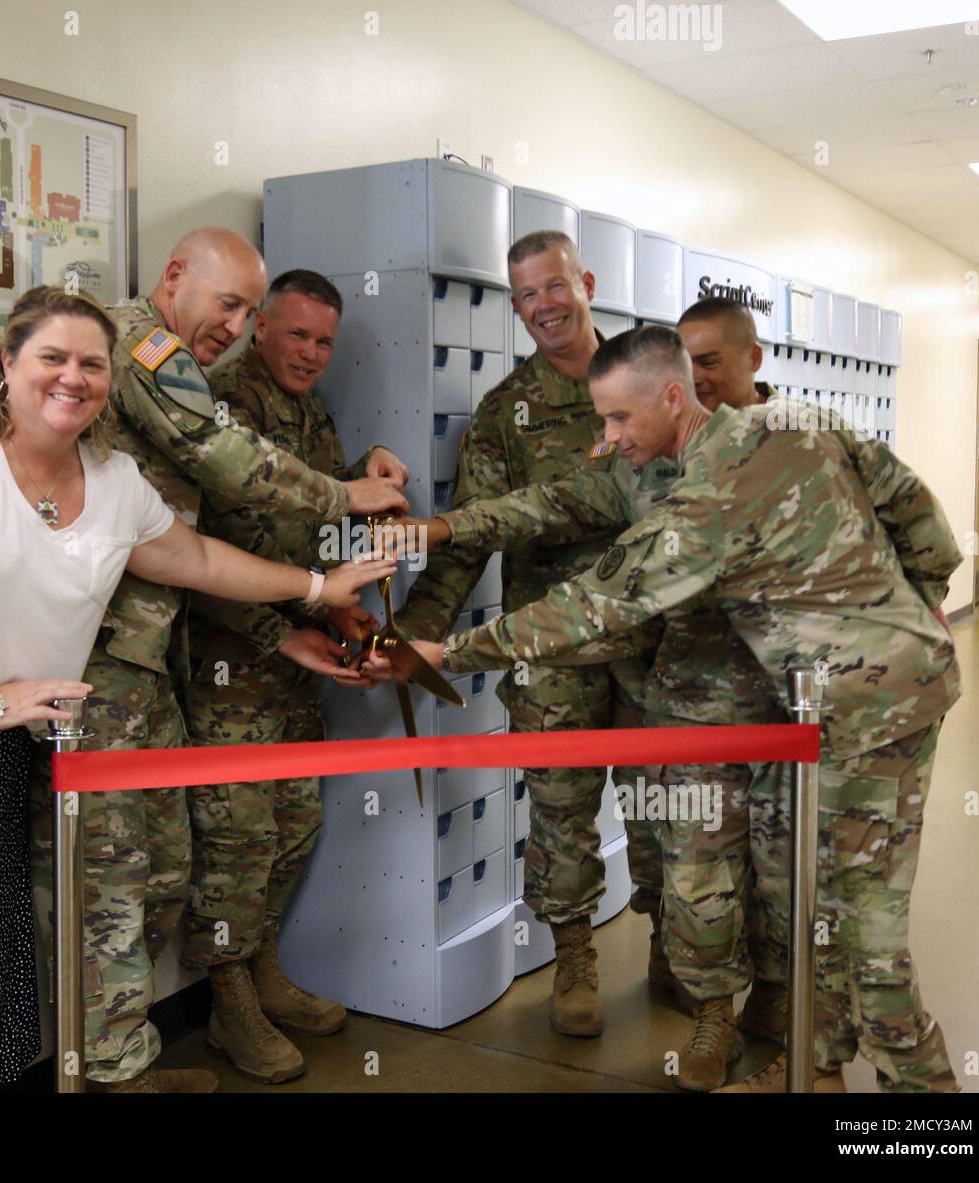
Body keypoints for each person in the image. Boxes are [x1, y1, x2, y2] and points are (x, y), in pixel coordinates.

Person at [0, 285, 393, 1093]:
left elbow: (203, 561)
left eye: (91, 364)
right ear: (7, 363)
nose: (72, 377)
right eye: (51, 357)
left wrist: (319, 587)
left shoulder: (111, 481)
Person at [403, 324, 962, 1093]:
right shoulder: (793, 423)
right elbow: (920, 516)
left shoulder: (708, 498)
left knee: (868, 937)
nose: (609, 437)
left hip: (867, 723)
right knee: (820, 908)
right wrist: (918, 615)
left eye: (620, 419)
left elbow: (602, 603)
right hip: (860, 703)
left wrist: (454, 652)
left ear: (673, 397)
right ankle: (815, 1068)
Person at [57, 228, 409, 1092]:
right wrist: (347, 496)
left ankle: (150, 1043)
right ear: (175, 278)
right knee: (130, 873)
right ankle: (140, 1053)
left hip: (153, 651)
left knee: (172, 865)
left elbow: (197, 551)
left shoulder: (199, 373)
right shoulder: (140, 348)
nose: (242, 326)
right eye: (235, 306)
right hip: (102, 660)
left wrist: (327, 563)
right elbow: (231, 473)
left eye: (255, 311)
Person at [394, 230, 674, 1040]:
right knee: (559, 810)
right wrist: (417, 632)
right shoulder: (502, 413)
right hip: (550, 648)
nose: (544, 306)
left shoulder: (641, 378)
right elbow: (469, 538)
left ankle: (671, 943)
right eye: (525, 295)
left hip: (651, 637)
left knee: (662, 805)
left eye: (554, 286)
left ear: (585, 282)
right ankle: (576, 954)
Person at [181, 269, 383, 1083]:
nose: (311, 352)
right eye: (296, 334)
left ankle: (262, 970)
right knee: (237, 836)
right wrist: (281, 628)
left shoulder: (307, 411)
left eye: (325, 340)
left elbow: (315, 532)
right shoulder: (221, 404)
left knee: (295, 826)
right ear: (260, 325)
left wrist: (336, 614)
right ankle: (229, 1001)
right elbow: (203, 558)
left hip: (296, 657)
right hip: (230, 662)